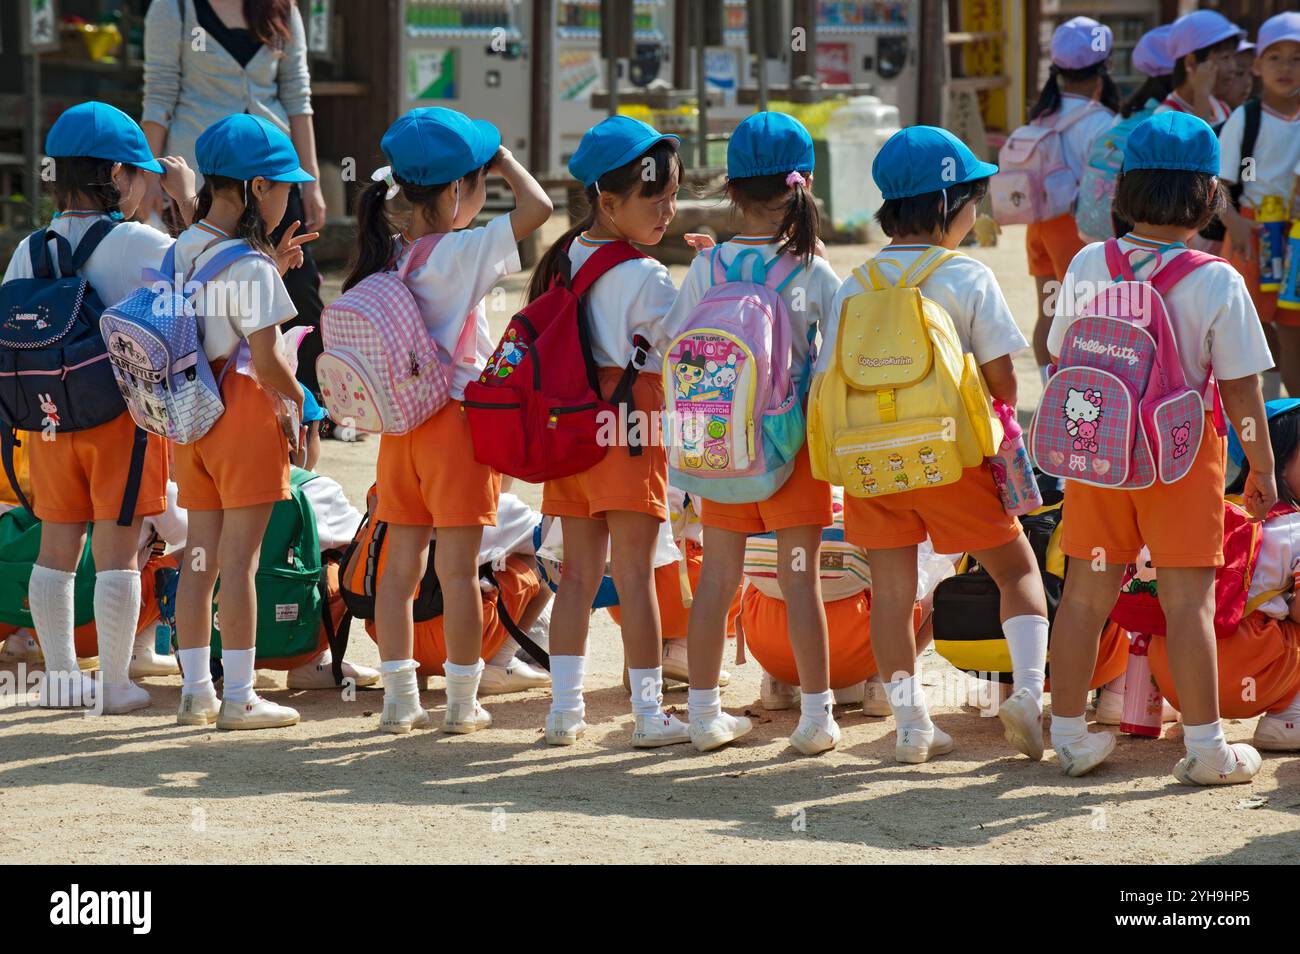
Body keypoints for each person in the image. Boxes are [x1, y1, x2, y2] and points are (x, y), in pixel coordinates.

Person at [1044, 112, 1277, 784]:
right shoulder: (1217, 279)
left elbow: (1061, 353)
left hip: (1097, 453)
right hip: (1179, 460)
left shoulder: (1091, 260)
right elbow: (1242, 396)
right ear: (1208, 195)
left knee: (1085, 596)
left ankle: (1068, 735)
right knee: (1188, 602)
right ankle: (1206, 749)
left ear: (1124, 190)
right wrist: (1261, 469)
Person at [816, 126, 1051, 763]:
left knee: (891, 593)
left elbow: (826, 377)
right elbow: (1004, 379)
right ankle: (1028, 695)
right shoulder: (967, 277)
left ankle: (912, 724)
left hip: (873, 465)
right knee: (1016, 569)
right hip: (955, 461)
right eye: (972, 200)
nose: (976, 215)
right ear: (948, 203)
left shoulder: (855, 281)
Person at [351, 108, 551, 735]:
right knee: (458, 570)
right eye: (479, 182)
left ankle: (398, 699)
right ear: (459, 190)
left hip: (400, 428)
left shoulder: (393, 254)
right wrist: (506, 162)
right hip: (455, 426)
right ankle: (462, 702)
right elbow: (540, 208)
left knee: (401, 567)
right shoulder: (462, 252)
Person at [1, 102, 195, 712]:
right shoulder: (143, 241)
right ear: (119, 176)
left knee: (56, 547)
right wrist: (185, 204)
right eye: (140, 175)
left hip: (47, 418)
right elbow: (190, 307)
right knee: (118, 547)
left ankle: (61, 679)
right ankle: (114, 683)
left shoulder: (30, 249)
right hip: (123, 422)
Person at [662, 112, 843, 754]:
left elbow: (674, 340)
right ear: (802, 185)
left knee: (717, 579)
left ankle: (706, 714)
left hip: (721, 445)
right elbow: (832, 361)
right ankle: (816, 718)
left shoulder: (709, 269)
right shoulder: (814, 274)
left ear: (731, 190)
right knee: (800, 578)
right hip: (789, 450)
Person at [532, 117, 686, 747]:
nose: (667, 211)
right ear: (608, 200)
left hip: (570, 429)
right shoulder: (648, 276)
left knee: (576, 576)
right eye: (655, 199)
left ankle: (564, 712)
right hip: (628, 427)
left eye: (672, 196)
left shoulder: (561, 260)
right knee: (636, 574)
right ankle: (649, 715)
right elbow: (681, 351)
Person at [170, 114, 317, 730]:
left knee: (199, 559)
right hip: (244, 419)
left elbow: (211, 322)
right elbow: (266, 358)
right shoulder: (251, 267)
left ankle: (197, 691)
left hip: (191, 414)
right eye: (285, 185)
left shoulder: (185, 245)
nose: (293, 196)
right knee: (242, 563)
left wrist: (271, 268)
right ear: (258, 188)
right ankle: (241, 696)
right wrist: (307, 401)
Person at [141, 0, 329, 402]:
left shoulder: (281, 8)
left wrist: (310, 181)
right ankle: (216, 394)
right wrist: (148, 178)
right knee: (211, 283)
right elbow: (159, 93)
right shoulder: (173, 9)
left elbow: (298, 96)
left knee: (298, 284)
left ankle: (308, 405)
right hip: (209, 176)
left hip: (274, 176)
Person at [1024, 17, 1120, 384]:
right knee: (1083, 315)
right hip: (1078, 232)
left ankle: (1049, 386)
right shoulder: (1104, 122)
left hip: (1040, 225)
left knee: (1048, 309)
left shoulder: (1041, 115)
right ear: (1103, 70)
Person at [1217, 13, 1300, 399]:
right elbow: (1219, 183)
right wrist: (1232, 220)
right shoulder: (1245, 119)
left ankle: (1292, 423)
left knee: (1293, 329)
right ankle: (1260, 423)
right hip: (1252, 234)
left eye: (1297, 58)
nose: (1286, 67)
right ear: (1256, 64)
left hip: (1297, 236)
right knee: (1251, 329)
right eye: (1275, 57)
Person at [1157, 9, 1244, 125]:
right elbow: (1203, 142)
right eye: (1225, 57)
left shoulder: (1221, 108)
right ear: (1191, 63)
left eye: (1234, 57)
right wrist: (1201, 95)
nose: (1233, 68)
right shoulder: (1166, 120)